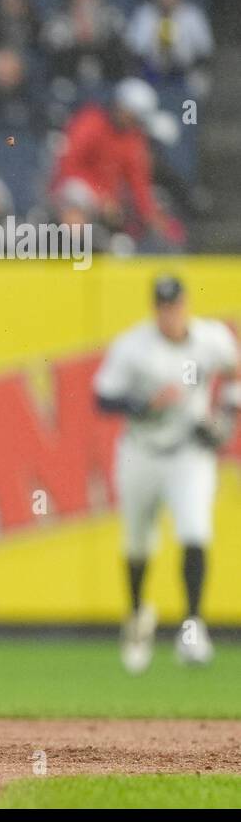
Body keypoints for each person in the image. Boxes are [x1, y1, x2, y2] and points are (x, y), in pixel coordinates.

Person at [94, 275, 239, 674]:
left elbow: (235, 372)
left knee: (195, 532)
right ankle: (139, 617)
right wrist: (144, 404)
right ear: (154, 308)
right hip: (141, 450)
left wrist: (226, 419)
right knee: (138, 544)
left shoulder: (211, 338)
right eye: (163, 306)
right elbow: (102, 397)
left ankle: (193, 628)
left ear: (186, 304)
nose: (169, 313)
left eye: (174, 305)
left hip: (189, 451)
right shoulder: (135, 346)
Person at [49, 77, 182, 245]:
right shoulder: (91, 122)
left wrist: (153, 218)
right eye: (132, 114)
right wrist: (101, 198)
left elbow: (139, 182)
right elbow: (68, 165)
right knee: (76, 202)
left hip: (110, 200)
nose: (133, 120)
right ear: (120, 106)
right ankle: (69, 253)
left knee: (153, 211)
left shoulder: (133, 139)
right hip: (73, 190)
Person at [124, 0, 213, 91]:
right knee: (135, 83)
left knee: (199, 83)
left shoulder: (192, 15)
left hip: (184, 69)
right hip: (151, 69)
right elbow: (134, 47)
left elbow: (205, 48)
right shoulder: (145, 13)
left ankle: (190, 109)